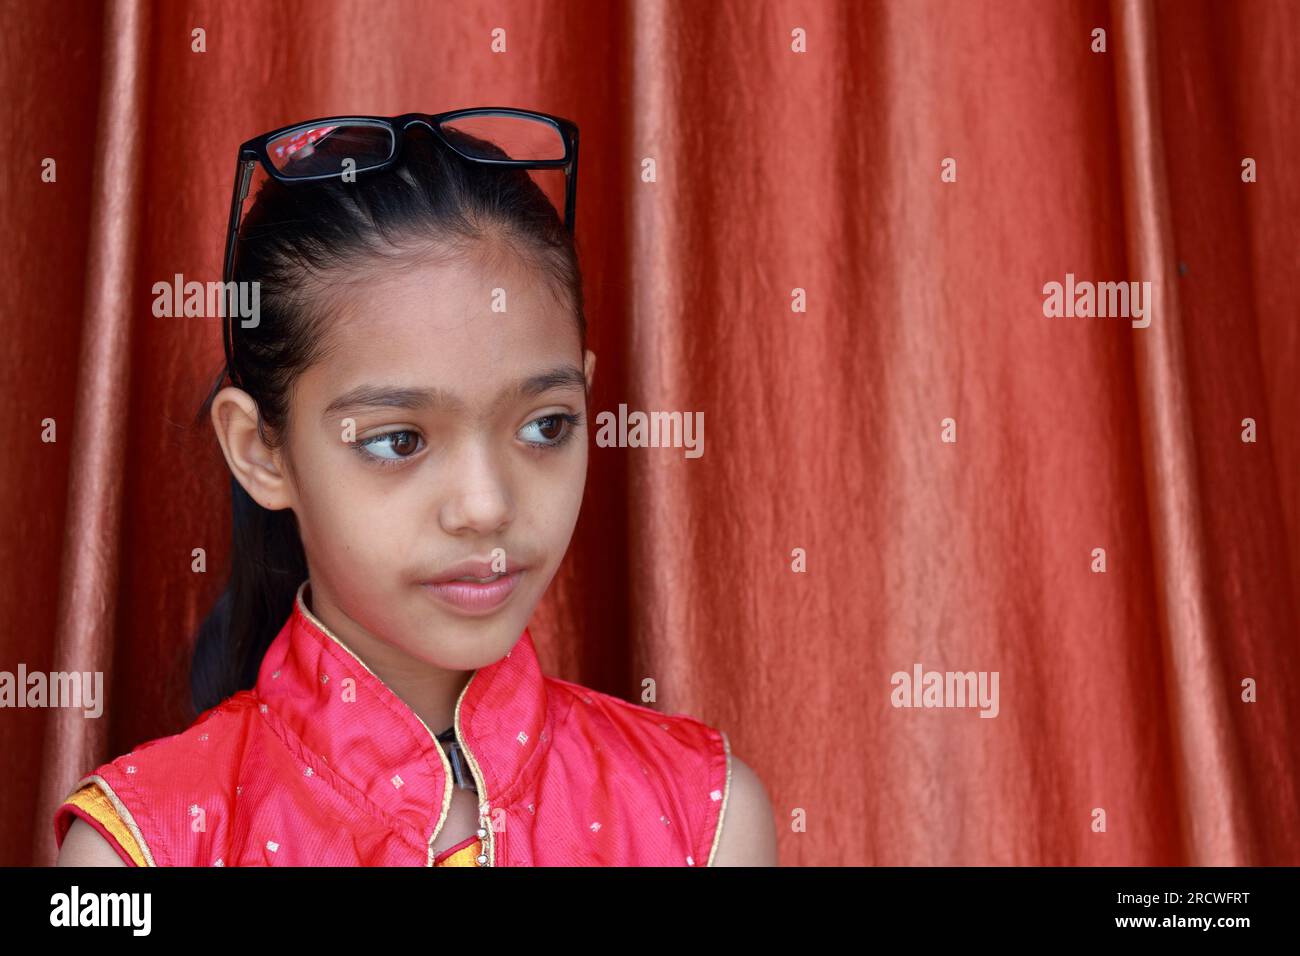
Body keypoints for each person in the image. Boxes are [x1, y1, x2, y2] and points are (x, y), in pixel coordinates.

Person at [52, 110, 777, 866]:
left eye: (545, 426)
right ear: (260, 451)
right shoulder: (142, 847)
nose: (486, 507)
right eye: (398, 440)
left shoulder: (702, 817)